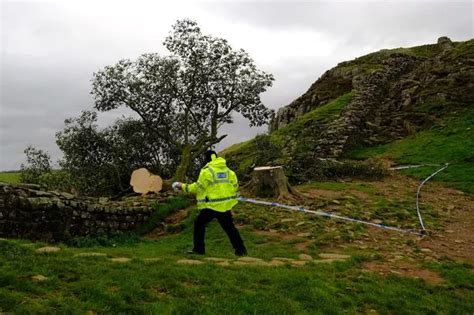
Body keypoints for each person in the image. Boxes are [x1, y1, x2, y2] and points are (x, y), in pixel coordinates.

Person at [173, 150, 247, 256]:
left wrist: (182, 186)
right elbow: (235, 187)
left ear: (206, 159)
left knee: (199, 224)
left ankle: (199, 250)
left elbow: (198, 188)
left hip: (211, 206)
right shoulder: (229, 171)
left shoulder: (207, 171)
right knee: (230, 228)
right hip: (224, 206)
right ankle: (241, 251)